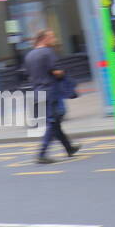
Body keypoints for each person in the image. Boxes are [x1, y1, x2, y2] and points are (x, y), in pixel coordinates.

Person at [24, 30, 80, 163]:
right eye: (52, 37)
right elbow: (56, 72)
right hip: (51, 92)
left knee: (56, 122)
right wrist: (64, 74)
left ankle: (69, 148)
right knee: (53, 122)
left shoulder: (29, 55)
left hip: (38, 92)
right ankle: (42, 154)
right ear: (44, 39)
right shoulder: (47, 53)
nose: (54, 39)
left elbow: (29, 74)